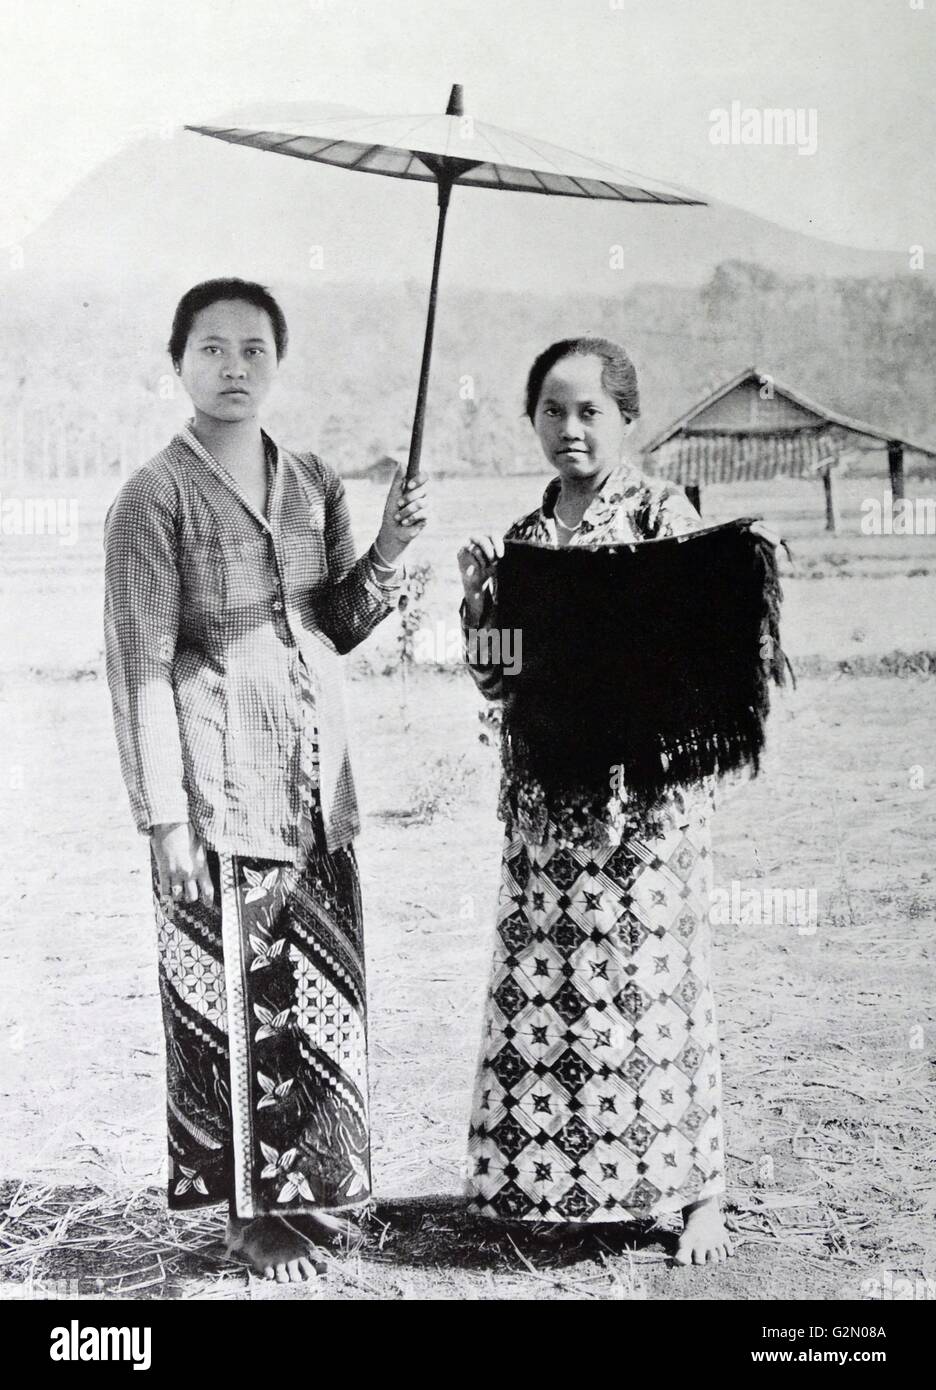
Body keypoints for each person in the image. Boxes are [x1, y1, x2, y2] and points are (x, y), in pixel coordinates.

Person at [104, 278, 427, 1283]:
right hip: (218, 788)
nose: (233, 366)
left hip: (315, 781)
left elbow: (334, 620)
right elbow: (141, 662)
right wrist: (164, 820)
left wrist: (389, 547)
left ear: (277, 363)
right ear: (179, 362)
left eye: (253, 349)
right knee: (235, 1003)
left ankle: (317, 1199)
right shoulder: (153, 496)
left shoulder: (315, 477)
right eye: (212, 348)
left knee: (320, 995)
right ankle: (252, 1220)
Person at [458, 337, 773, 1265]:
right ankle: (562, 1189)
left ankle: (698, 1197)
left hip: (645, 808)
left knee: (656, 989)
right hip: (547, 811)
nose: (570, 429)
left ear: (627, 419)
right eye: (553, 412)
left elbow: (705, 654)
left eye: (589, 411)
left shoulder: (661, 515)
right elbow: (495, 683)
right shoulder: (522, 537)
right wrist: (481, 604)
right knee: (551, 989)